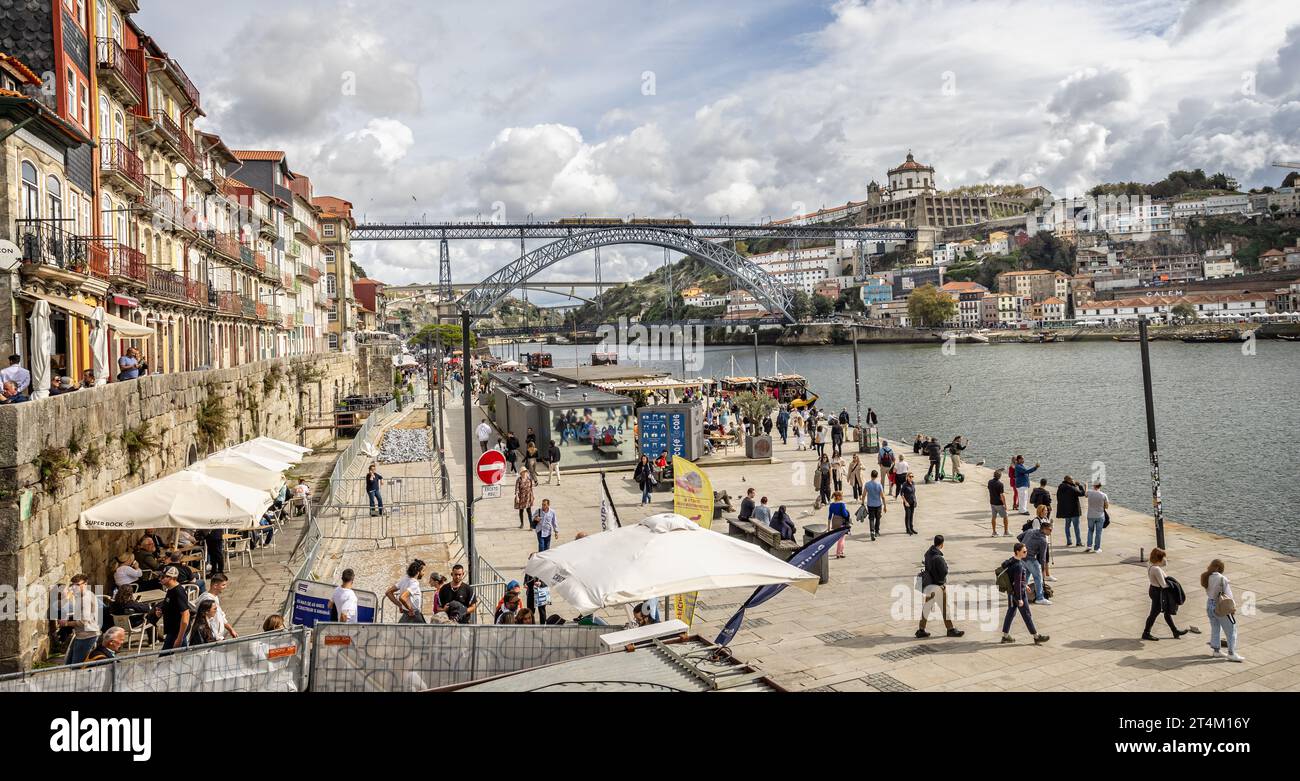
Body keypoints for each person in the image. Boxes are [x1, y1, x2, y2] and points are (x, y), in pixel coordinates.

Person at [1000, 543, 1049, 644]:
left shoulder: (1011, 560)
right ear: (1018, 552)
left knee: (1010, 613)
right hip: (1019, 594)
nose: (1026, 553)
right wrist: (1020, 599)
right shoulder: (1018, 565)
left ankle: (1005, 636)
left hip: (1010, 593)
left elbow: (1015, 579)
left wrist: (1025, 584)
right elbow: (1017, 583)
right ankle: (1036, 636)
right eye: (1024, 551)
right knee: (1026, 615)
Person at [916, 535, 964, 638]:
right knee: (945, 608)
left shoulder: (928, 553)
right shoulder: (938, 558)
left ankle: (921, 629)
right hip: (937, 586)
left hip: (929, 585)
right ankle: (950, 629)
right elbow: (944, 572)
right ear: (942, 544)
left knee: (927, 607)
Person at [1142, 548, 1192, 641]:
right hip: (1158, 592)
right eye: (1164, 557)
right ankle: (1146, 633)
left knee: (1167, 611)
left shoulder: (1150, 564)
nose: (1165, 559)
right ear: (1159, 559)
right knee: (1154, 613)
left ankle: (1174, 631)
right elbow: (1163, 585)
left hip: (1153, 589)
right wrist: (1174, 584)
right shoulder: (1156, 569)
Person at [1202, 559, 1243, 662]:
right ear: (1220, 568)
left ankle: (1216, 650)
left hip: (1209, 604)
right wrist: (1232, 608)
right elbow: (1228, 595)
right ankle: (1231, 653)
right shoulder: (1222, 579)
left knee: (1215, 628)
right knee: (1231, 629)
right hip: (1221, 606)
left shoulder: (1206, 576)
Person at [60, 575, 99, 664]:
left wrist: (66, 624)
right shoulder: (79, 596)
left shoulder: (86, 598)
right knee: (69, 663)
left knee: (76, 665)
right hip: (81, 635)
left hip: (87, 636)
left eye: (77, 585)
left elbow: (84, 621)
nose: (74, 587)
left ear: (85, 584)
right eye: (72, 585)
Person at [159, 566, 192, 651]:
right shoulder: (170, 589)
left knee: (164, 659)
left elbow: (185, 616)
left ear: (172, 578)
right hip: (173, 631)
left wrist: (179, 638)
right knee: (182, 658)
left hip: (177, 632)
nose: (160, 579)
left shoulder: (178, 592)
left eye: (163, 577)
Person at [1020, 521, 1052, 605]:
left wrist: (1026, 545)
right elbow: (1042, 558)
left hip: (1022, 557)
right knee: (1038, 578)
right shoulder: (1043, 540)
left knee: (1025, 577)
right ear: (1044, 530)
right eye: (1050, 530)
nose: (1051, 532)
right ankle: (1040, 598)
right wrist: (1043, 570)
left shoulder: (1030, 530)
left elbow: (1019, 537)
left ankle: (1021, 595)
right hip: (1030, 559)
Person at [197, 573, 236, 641]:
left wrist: (231, 629)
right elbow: (206, 620)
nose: (225, 587)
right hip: (214, 638)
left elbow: (221, 616)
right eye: (223, 585)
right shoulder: (207, 599)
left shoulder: (214, 597)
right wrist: (215, 637)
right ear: (215, 585)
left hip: (218, 637)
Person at [386, 559, 426, 623]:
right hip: (414, 615)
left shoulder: (405, 578)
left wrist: (400, 605)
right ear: (418, 572)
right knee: (425, 632)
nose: (424, 573)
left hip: (405, 614)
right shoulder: (415, 583)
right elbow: (402, 597)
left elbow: (388, 592)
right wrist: (410, 609)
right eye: (423, 571)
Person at [1055, 475, 1086, 547]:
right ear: (1068, 480)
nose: (1073, 480)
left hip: (1066, 511)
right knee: (1076, 527)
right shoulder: (1070, 487)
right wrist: (1080, 486)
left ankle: (1069, 541)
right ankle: (1078, 542)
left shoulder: (1061, 487)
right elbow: (1082, 493)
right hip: (1074, 511)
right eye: (1072, 479)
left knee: (1067, 526)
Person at [1085, 481, 1108, 553]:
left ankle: (1089, 546)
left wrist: (1086, 486)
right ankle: (1097, 548)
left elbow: (1085, 495)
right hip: (1100, 516)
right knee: (1098, 532)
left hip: (1090, 515)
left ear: (1094, 486)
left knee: (1090, 530)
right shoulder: (1104, 495)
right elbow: (1106, 506)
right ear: (1100, 486)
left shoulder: (1089, 492)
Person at [864, 469, 886, 540]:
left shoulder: (867, 484)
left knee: (871, 519)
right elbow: (882, 496)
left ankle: (872, 532)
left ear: (871, 476)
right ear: (877, 476)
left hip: (870, 504)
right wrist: (885, 506)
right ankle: (877, 531)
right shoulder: (879, 485)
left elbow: (864, 495)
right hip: (878, 504)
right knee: (878, 518)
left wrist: (862, 502)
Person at [988, 469, 1010, 537]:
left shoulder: (990, 482)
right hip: (999, 503)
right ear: (1000, 476)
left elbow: (989, 489)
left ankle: (994, 532)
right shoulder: (1000, 484)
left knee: (993, 517)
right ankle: (1006, 532)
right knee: (1005, 517)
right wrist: (1005, 505)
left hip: (992, 502)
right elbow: (1002, 496)